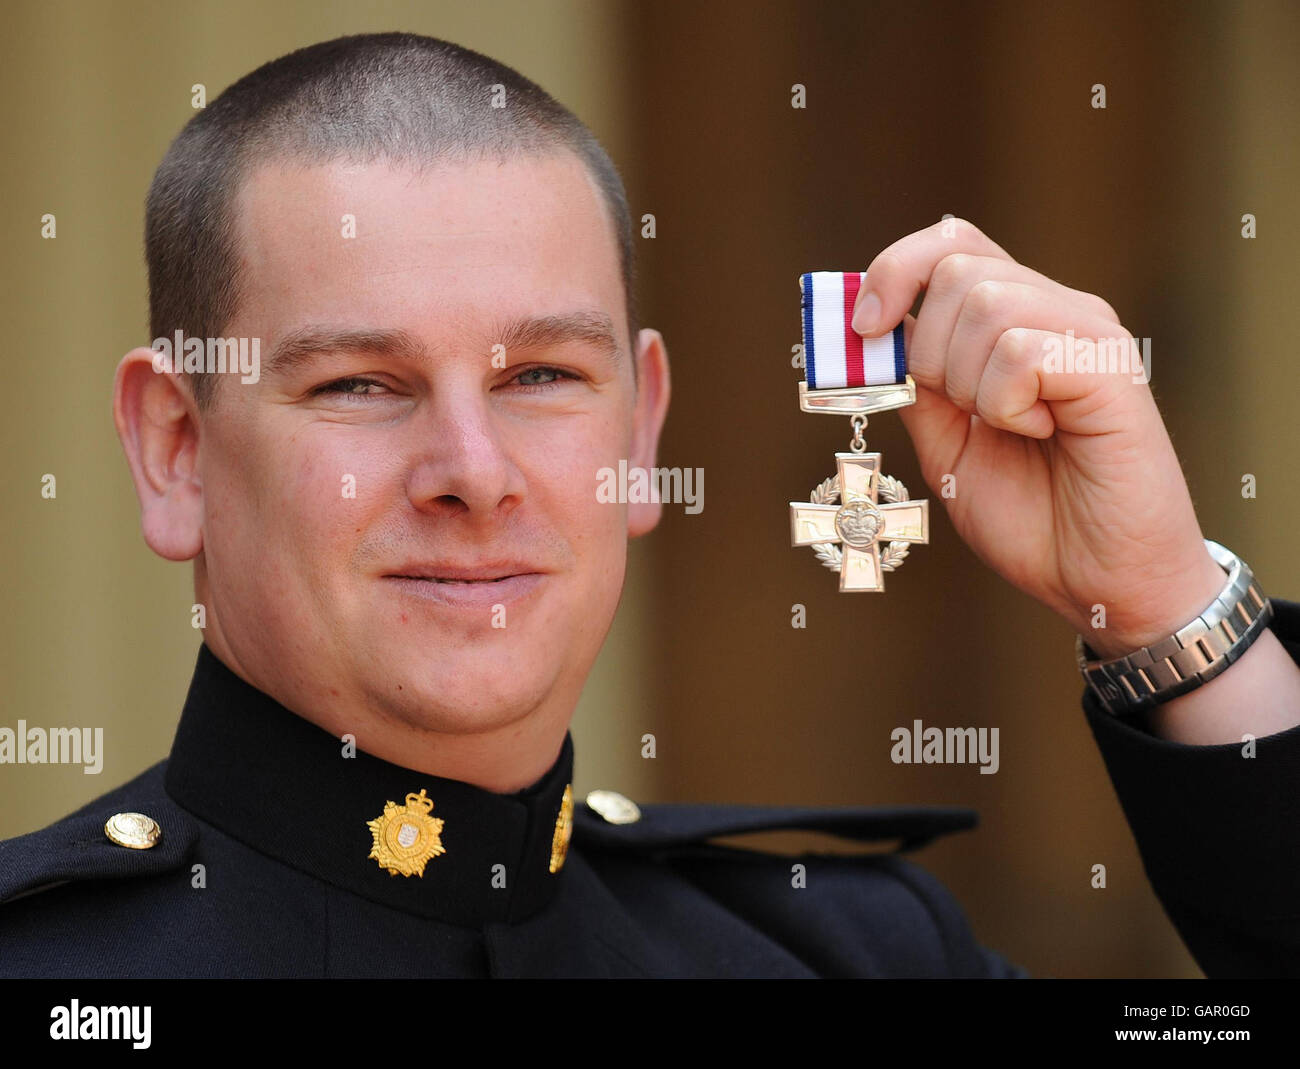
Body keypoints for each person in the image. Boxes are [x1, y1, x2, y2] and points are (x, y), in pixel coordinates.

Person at [2, 31, 1298, 979]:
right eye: (358, 382)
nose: (474, 467)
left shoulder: (852, 955)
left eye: (544, 376)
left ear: (639, 424)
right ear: (176, 448)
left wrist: (1167, 608)